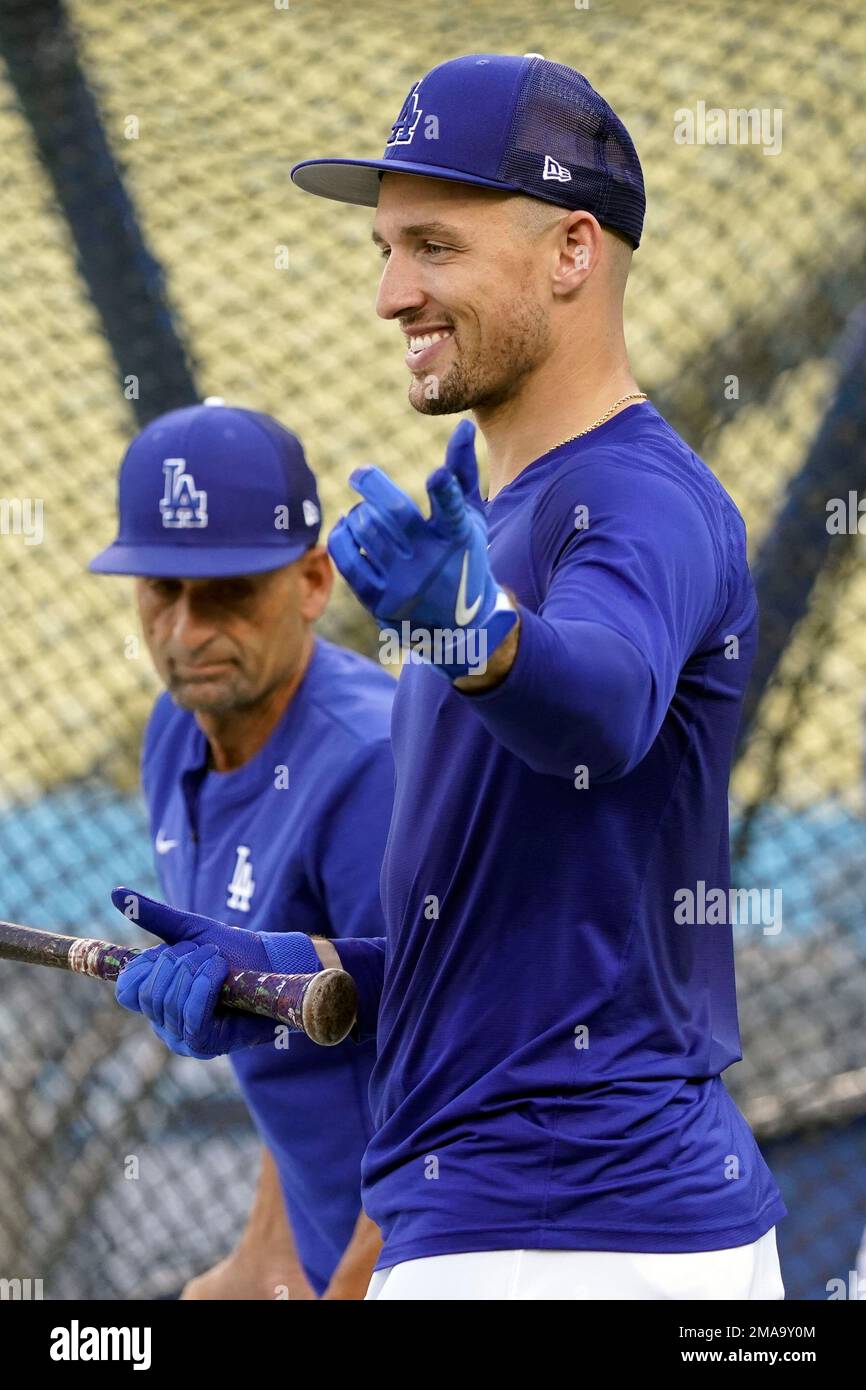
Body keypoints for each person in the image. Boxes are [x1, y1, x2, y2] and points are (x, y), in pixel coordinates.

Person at [112, 53, 787, 1300]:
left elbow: (605, 701)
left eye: (431, 245)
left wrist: (475, 633)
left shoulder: (636, 500)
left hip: (565, 1232)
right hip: (550, 1221)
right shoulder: (501, 512)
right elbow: (494, 954)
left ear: (571, 252)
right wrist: (272, 969)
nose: (388, 294)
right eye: (382, 249)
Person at [91, 398, 394, 1299]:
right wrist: (263, 1266)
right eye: (162, 590)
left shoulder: (373, 768)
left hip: (440, 1255)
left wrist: (351, 1291)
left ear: (310, 582)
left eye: (227, 591)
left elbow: (459, 1082)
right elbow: (294, 1054)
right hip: (328, 1253)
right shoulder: (178, 730)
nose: (186, 633)